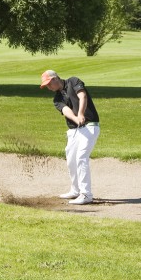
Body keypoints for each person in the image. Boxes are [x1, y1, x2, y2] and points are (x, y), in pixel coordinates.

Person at [40, 69, 99, 205]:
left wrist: (81, 114)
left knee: (81, 157)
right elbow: (66, 110)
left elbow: (82, 96)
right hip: (74, 130)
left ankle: (86, 194)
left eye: (49, 84)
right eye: (46, 86)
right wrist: (75, 118)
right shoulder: (57, 99)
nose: (49, 87)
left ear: (55, 78)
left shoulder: (73, 81)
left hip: (90, 126)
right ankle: (75, 190)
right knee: (71, 159)